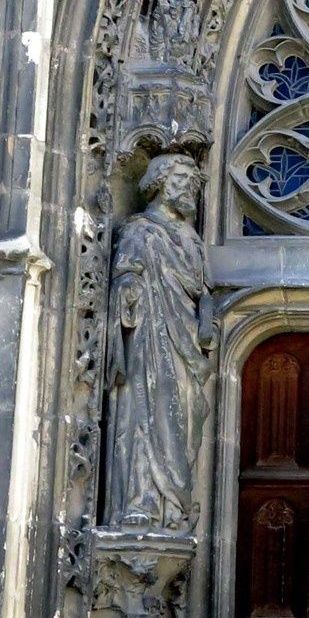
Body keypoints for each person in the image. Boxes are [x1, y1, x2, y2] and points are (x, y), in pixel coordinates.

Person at [105, 155, 214, 532]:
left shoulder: (193, 240)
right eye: (180, 178)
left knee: (188, 411)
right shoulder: (140, 231)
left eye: (192, 182)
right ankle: (144, 501)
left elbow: (203, 291)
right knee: (147, 412)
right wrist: (130, 292)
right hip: (151, 337)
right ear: (158, 182)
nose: (187, 187)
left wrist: (204, 316)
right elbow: (125, 278)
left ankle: (174, 507)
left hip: (185, 342)